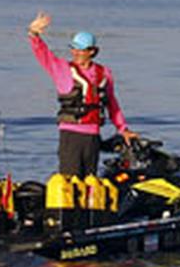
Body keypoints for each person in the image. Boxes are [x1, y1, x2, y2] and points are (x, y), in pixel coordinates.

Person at [27, 12, 138, 178]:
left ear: (92, 51)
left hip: (93, 136)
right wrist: (33, 34)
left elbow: (112, 104)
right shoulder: (63, 70)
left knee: (89, 180)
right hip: (71, 135)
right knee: (70, 180)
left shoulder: (105, 73)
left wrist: (123, 129)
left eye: (81, 49)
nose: (76, 53)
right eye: (73, 48)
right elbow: (43, 55)